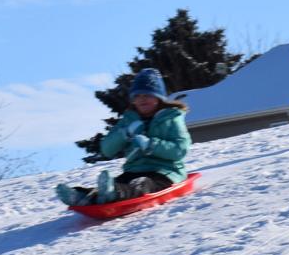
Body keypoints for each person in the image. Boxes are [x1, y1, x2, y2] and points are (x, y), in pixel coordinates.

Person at [56, 68, 192, 206]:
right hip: (133, 170)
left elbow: (180, 150)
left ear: (158, 97)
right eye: (137, 96)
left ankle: (114, 193)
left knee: (141, 184)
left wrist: (151, 145)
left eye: (147, 95)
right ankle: (82, 196)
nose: (142, 99)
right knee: (117, 184)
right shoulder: (129, 119)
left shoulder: (171, 118)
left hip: (165, 172)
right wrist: (124, 134)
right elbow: (106, 149)